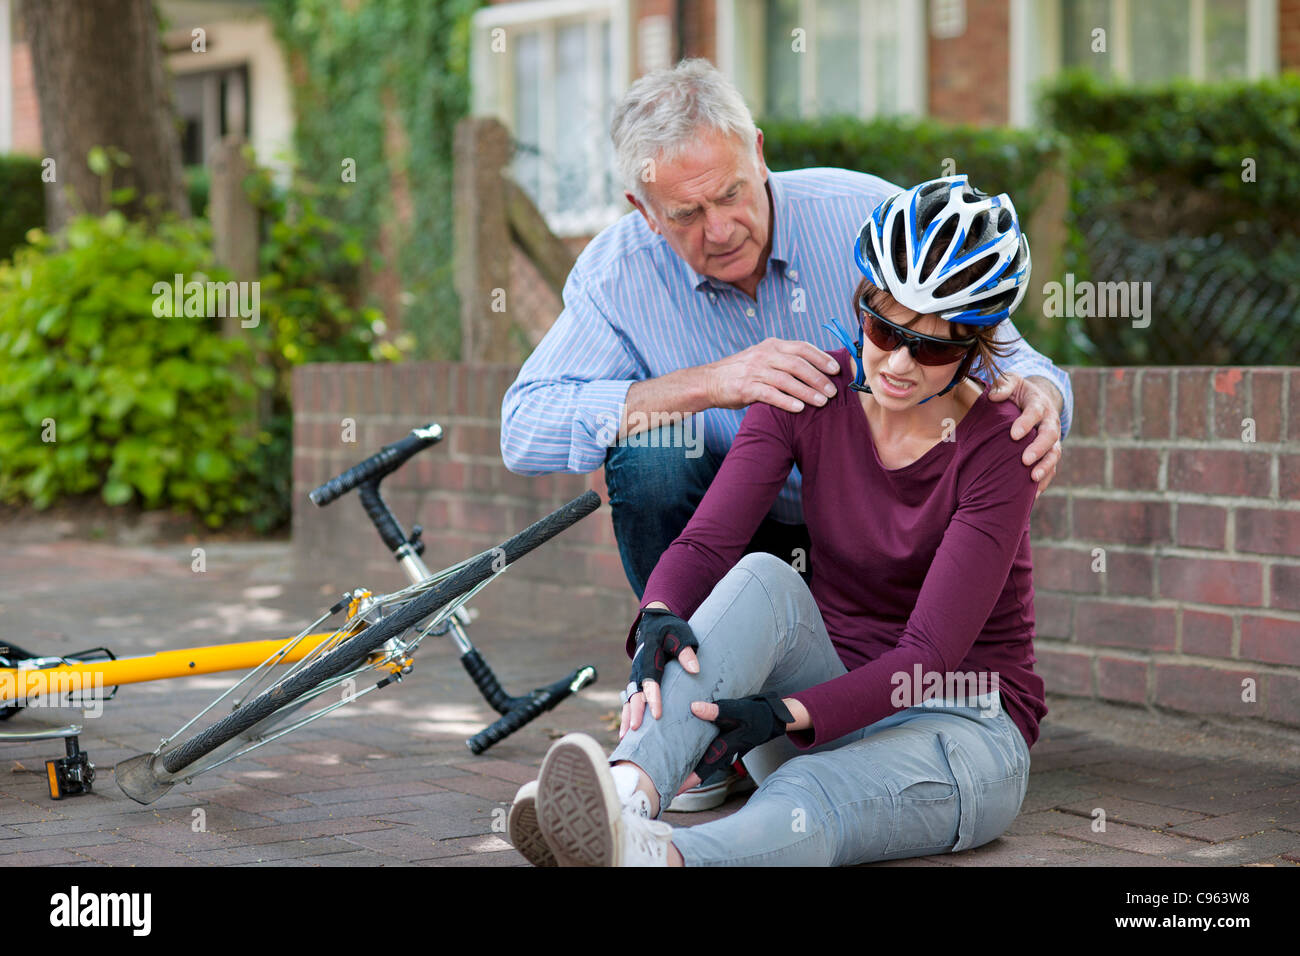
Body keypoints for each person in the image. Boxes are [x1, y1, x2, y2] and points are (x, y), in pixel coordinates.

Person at [500, 57, 1069, 811]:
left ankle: (804, 735)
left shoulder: (863, 215)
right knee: (650, 455)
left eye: (732, 192)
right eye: (686, 215)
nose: (722, 227)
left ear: (759, 153)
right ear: (643, 210)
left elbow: (1001, 347)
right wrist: (709, 384)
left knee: (885, 698)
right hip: (734, 525)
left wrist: (1045, 401)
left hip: (881, 533)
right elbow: (522, 426)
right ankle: (674, 737)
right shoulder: (616, 275)